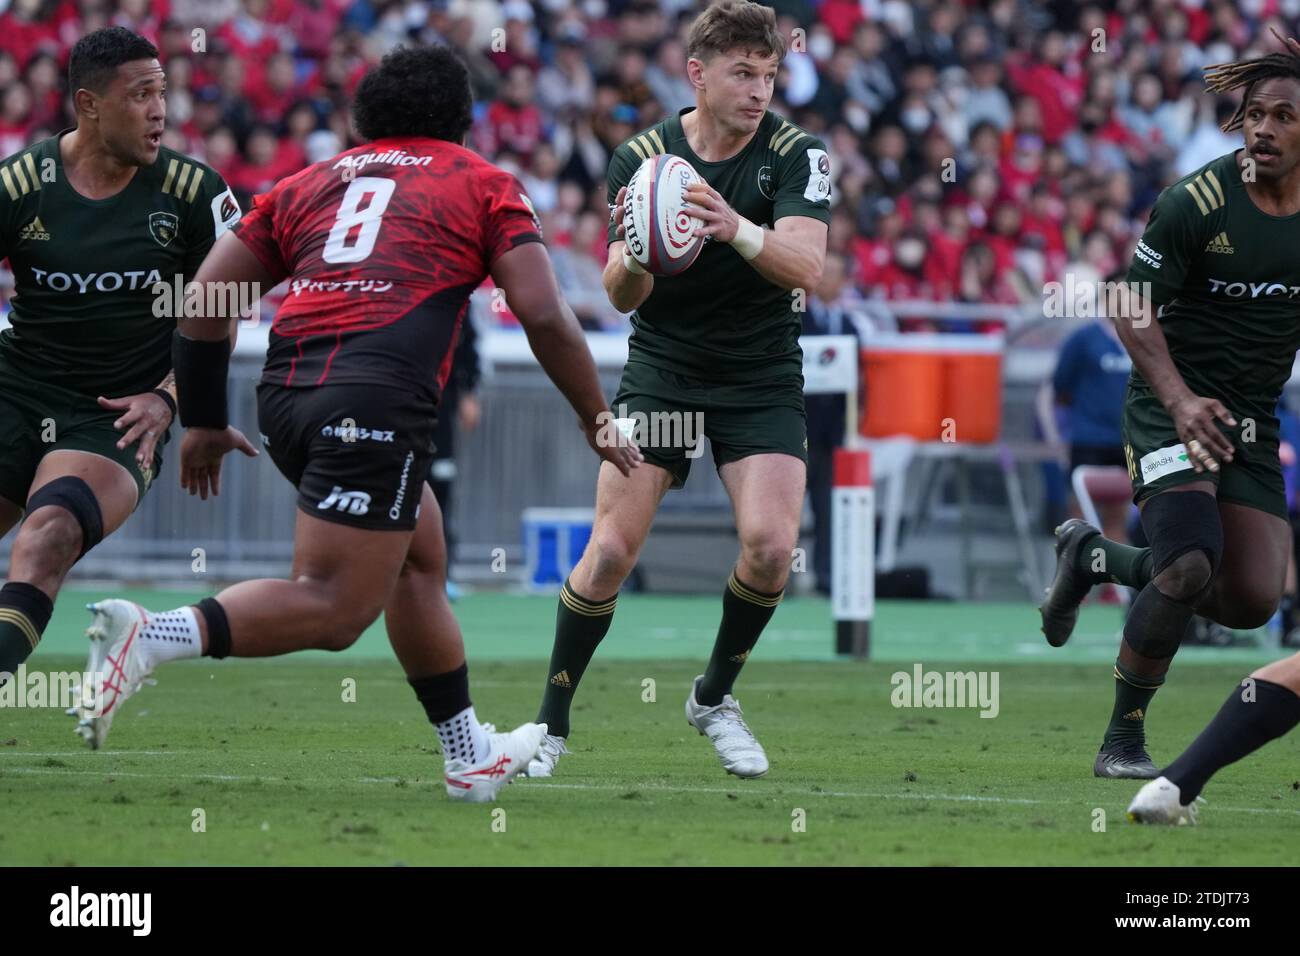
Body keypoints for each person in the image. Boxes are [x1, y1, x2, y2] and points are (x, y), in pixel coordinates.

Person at [70, 45, 642, 804]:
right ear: (464, 124)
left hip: (286, 396)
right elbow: (540, 310)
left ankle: (467, 752)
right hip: (373, 400)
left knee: (418, 553)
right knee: (336, 606)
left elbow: (204, 300)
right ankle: (153, 636)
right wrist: (597, 418)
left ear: (360, 119)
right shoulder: (482, 182)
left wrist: (204, 419)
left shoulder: (307, 182)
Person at [526, 0, 831, 780]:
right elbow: (621, 293)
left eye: (768, 75)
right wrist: (637, 252)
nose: (760, 91)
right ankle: (550, 725)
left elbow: (807, 268)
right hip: (664, 370)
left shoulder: (798, 154)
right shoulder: (644, 157)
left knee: (770, 548)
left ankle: (712, 698)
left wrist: (732, 227)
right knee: (609, 555)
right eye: (742, 74)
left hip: (760, 373)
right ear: (696, 74)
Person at [1039, 37, 1300, 781]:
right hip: (1168, 401)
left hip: (1251, 416)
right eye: (1254, 114)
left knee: (1253, 600)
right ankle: (1122, 739)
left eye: (1284, 116)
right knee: (1187, 566)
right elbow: (1127, 302)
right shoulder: (1199, 200)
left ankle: (1094, 556)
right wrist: (1180, 399)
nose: (1264, 130)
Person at [0, 27, 239, 678]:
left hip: (118, 411)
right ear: (89, 104)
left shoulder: (195, 195)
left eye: (163, 92)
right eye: (141, 95)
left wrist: (170, 401)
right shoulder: (19, 185)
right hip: (16, 388)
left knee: (47, 538)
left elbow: (219, 318)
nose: (161, 109)